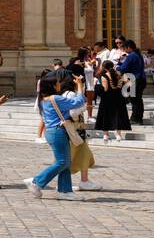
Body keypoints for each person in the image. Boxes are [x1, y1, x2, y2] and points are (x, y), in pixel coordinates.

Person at [25, 71, 88, 200]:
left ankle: (65, 191)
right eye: (57, 83)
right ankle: (36, 181)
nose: (60, 84)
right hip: (58, 131)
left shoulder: (44, 99)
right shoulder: (56, 98)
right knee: (62, 161)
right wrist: (80, 87)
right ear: (53, 86)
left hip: (52, 131)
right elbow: (78, 102)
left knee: (66, 161)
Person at [94, 61, 130, 141]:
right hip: (119, 97)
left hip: (107, 98)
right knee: (118, 115)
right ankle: (118, 134)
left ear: (104, 67)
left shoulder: (105, 76)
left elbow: (105, 89)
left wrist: (96, 86)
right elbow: (129, 83)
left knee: (106, 115)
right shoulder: (120, 74)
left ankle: (106, 135)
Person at [116, 40, 146, 124]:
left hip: (134, 80)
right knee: (138, 99)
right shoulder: (138, 55)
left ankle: (136, 119)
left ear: (128, 47)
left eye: (124, 48)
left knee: (134, 100)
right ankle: (137, 118)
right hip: (141, 79)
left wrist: (118, 65)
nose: (124, 50)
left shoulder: (131, 56)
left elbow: (123, 68)